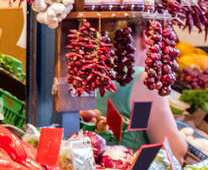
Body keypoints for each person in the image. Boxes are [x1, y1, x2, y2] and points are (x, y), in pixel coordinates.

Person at [78, 30, 187, 163]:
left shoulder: (90, 72)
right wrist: (184, 140)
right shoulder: (143, 82)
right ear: (145, 37)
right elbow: (174, 154)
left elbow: (138, 127)